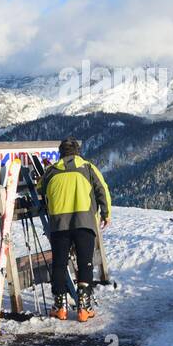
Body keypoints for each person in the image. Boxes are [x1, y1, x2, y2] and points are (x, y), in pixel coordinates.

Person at [37, 138, 111, 322]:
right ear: (77, 152)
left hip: (59, 224)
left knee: (60, 264)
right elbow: (103, 189)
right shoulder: (88, 167)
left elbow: (40, 189)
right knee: (85, 262)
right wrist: (105, 213)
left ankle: (60, 307)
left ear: (60, 153)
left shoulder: (51, 170)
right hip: (84, 222)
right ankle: (84, 308)